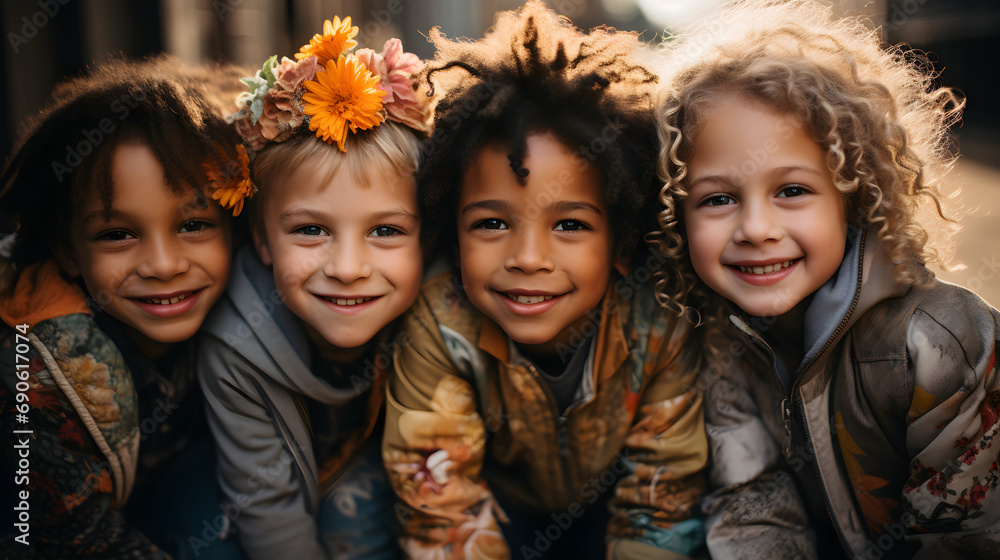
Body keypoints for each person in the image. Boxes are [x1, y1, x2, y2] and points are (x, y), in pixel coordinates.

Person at [651, 1, 999, 558]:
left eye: (792, 190)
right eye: (718, 199)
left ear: (853, 197)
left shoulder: (942, 343)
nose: (757, 229)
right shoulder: (704, 345)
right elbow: (750, 506)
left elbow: (970, 536)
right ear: (674, 216)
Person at [382, 3, 712, 558]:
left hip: (609, 513)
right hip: (498, 512)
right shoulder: (440, 324)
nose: (529, 258)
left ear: (621, 238)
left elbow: (662, 493)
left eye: (569, 224)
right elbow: (439, 501)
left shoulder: (658, 320)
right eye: (491, 223)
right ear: (451, 229)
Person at [196, 15, 432, 560]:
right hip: (260, 493)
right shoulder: (234, 347)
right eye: (310, 230)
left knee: (357, 513)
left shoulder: (446, 314)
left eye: (386, 231)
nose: (348, 268)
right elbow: (268, 511)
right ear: (260, 239)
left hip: (372, 482)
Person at [0, 56, 246, 559]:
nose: (162, 264)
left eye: (193, 224)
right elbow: (71, 542)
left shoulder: (254, 295)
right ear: (68, 250)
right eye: (117, 234)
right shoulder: (41, 374)